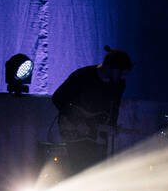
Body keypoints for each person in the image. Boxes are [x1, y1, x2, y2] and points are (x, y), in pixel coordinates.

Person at [52, 47, 133, 175]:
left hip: (97, 135)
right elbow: (57, 98)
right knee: (78, 169)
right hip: (76, 132)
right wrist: (78, 122)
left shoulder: (119, 84)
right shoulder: (82, 76)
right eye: (121, 73)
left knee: (96, 170)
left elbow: (114, 107)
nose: (122, 77)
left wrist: (111, 125)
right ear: (112, 67)